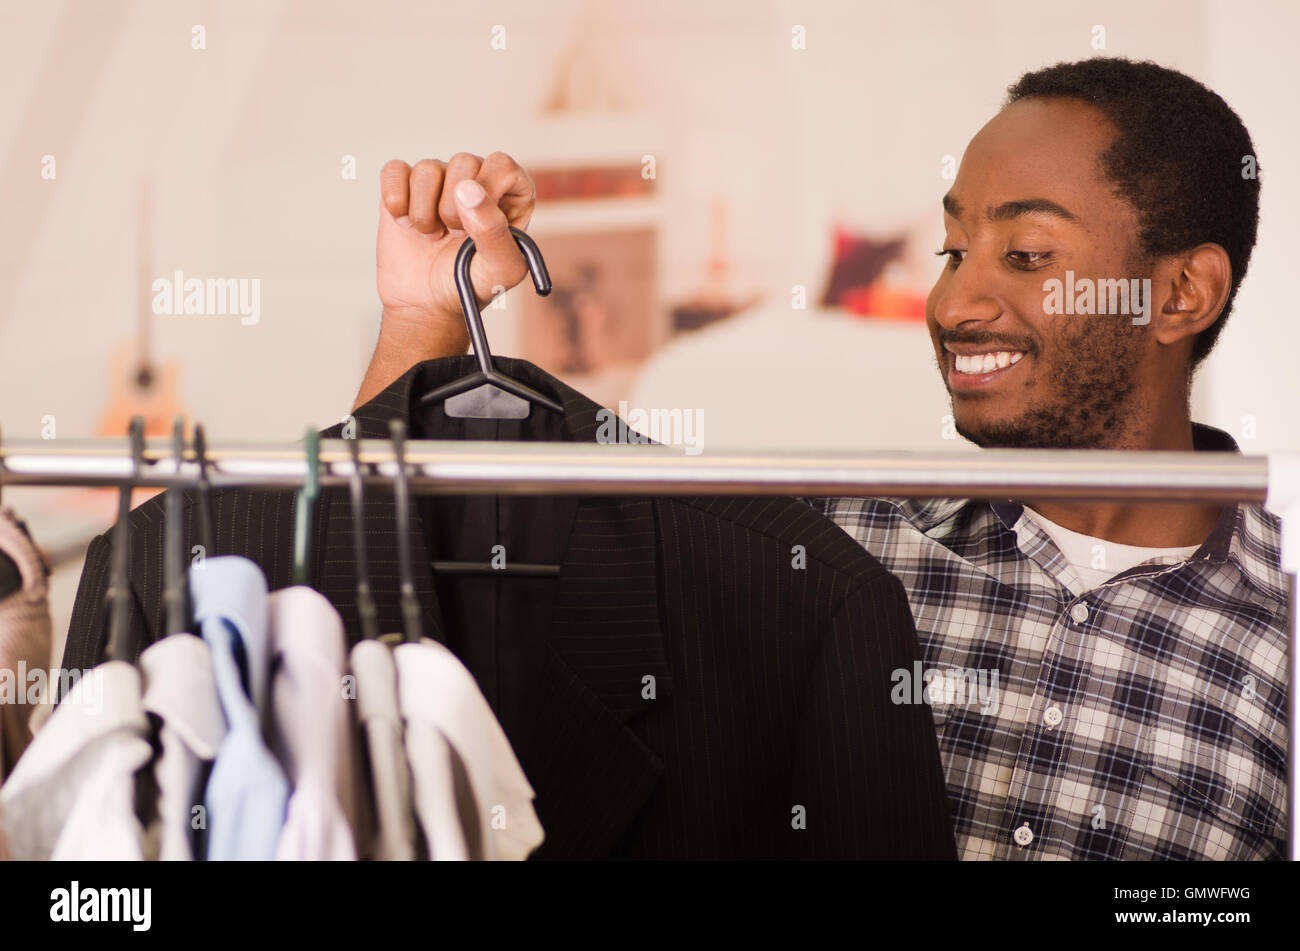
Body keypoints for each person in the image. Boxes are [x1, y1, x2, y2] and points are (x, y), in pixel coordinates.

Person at [357, 57, 1284, 860]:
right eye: (953, 248)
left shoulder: (1280, 646)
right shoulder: (811, 543)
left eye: (1028, 253)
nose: (955, 301)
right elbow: (396, 571)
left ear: (1179, 292)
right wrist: (424, 315)